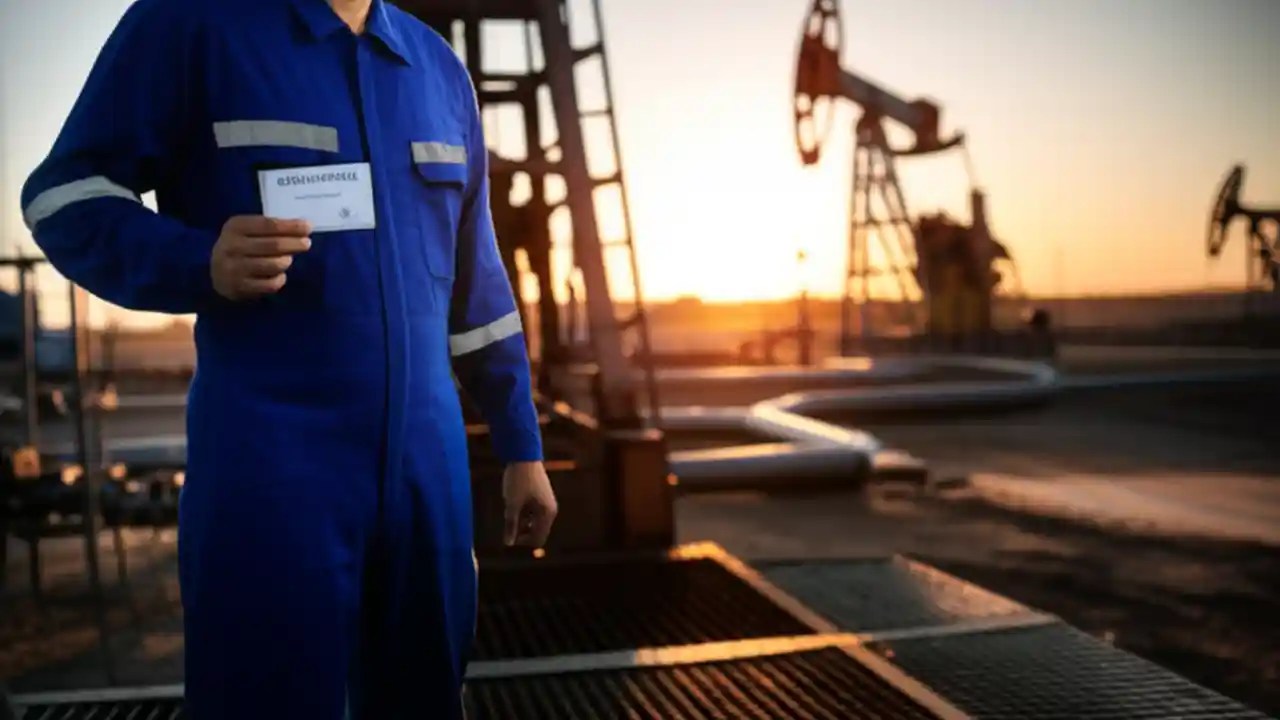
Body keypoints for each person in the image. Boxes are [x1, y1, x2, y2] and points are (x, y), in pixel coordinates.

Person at [20, 0, 558, 717]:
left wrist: (522, 446)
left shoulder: (436, 68)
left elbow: (477, 287)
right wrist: (195, 260)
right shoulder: (192, 26)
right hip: (271, 472)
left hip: (431, 477)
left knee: (425, 697)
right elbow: (63, 196)